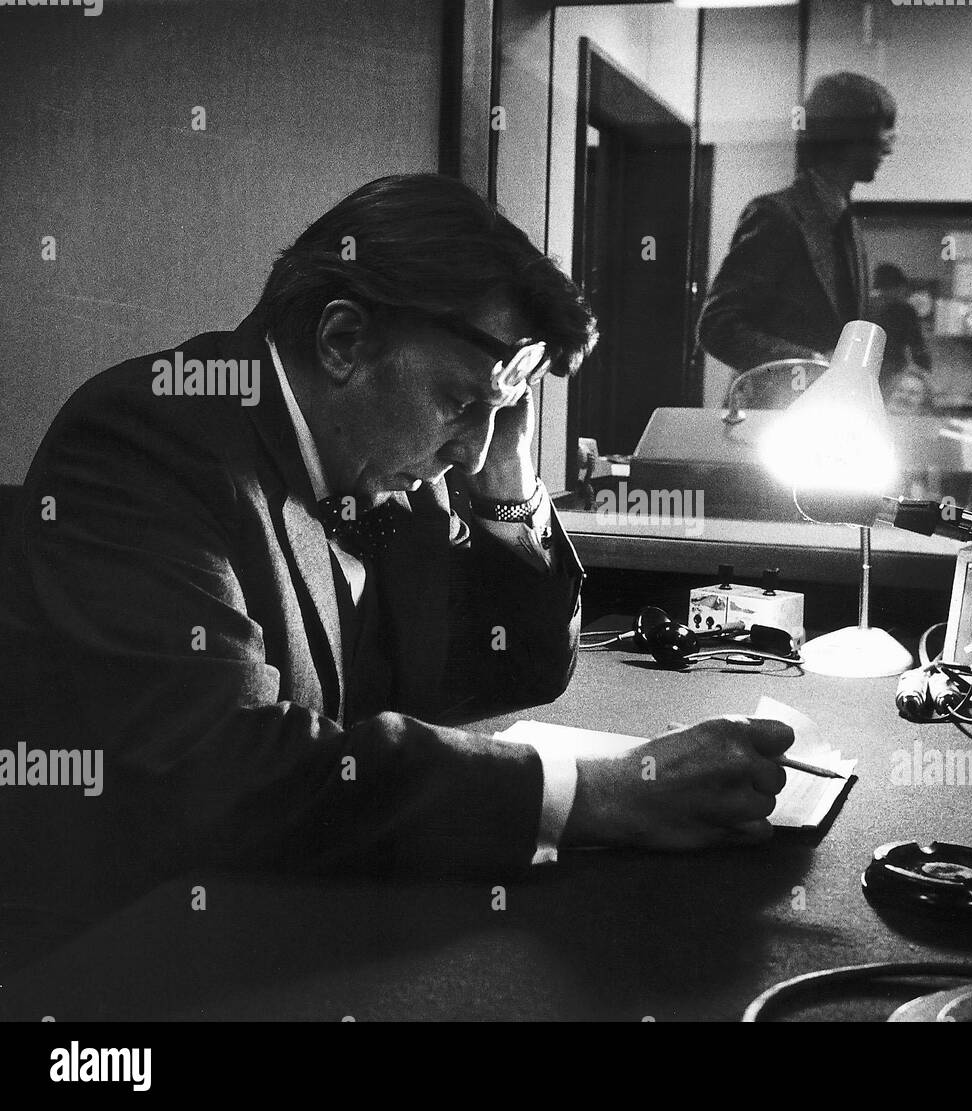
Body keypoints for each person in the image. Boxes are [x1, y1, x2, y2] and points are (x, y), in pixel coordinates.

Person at [0, 174, 793, 937]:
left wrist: (509, 480)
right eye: (459, 401)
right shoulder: (143, 444)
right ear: (343, 340)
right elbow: (227, 771)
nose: (471, 450)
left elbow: (516, 669)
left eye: (503, 408)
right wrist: (594, 794)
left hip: (309, 909)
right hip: (123, 947)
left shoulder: (398, 467)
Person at [697, 72, 897, 409]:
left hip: (822, 420)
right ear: (850, 135)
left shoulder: (848, 224)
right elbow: (718, 327)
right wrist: (814, 364)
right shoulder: (776, 215)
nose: (889, 146)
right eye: (882, 130)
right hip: (771, 421)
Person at [868, 262, 932, 389]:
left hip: (865, 367)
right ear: (898, 287)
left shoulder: (865, 306)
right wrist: (925, 374)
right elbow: (917, 347)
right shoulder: (904, 310)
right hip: (892, 371)